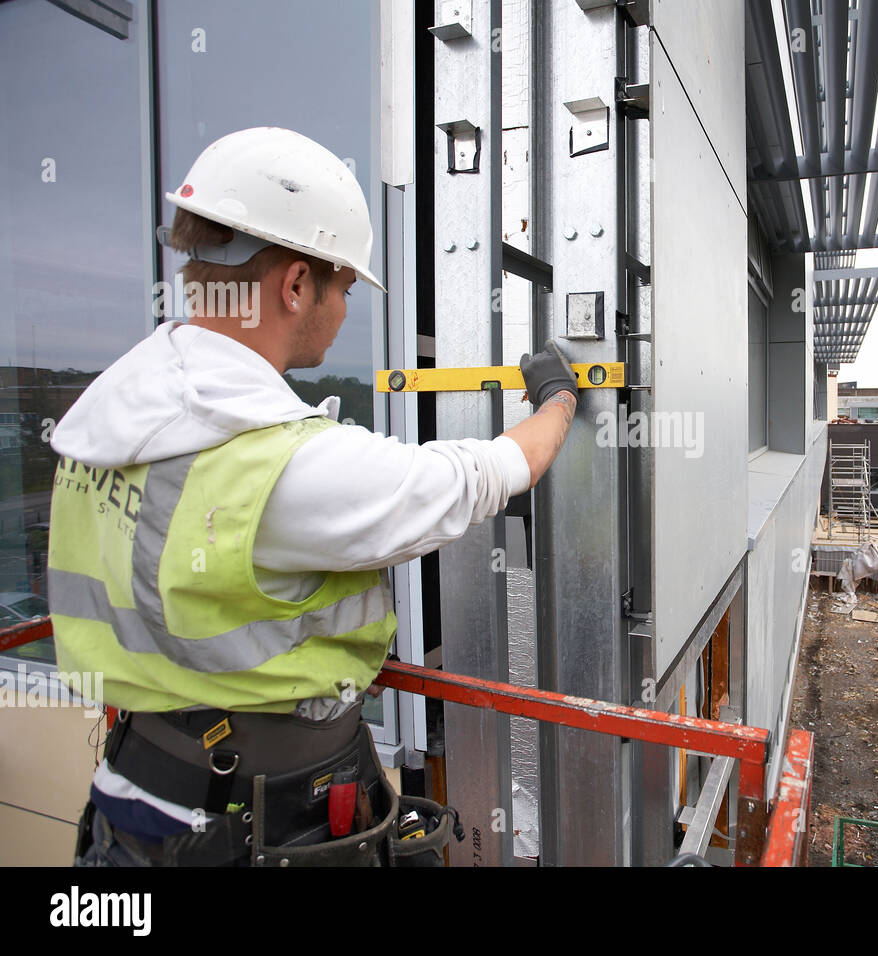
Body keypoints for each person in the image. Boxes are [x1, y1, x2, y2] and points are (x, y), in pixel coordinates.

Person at [47, 127, 580, 866]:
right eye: (346, 289)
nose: (346, 309)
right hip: (245, 830)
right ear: (296, 285)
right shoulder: (276, 465)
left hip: (131, 804)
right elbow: (470, 478)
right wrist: (558, 403)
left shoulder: (112, 414)